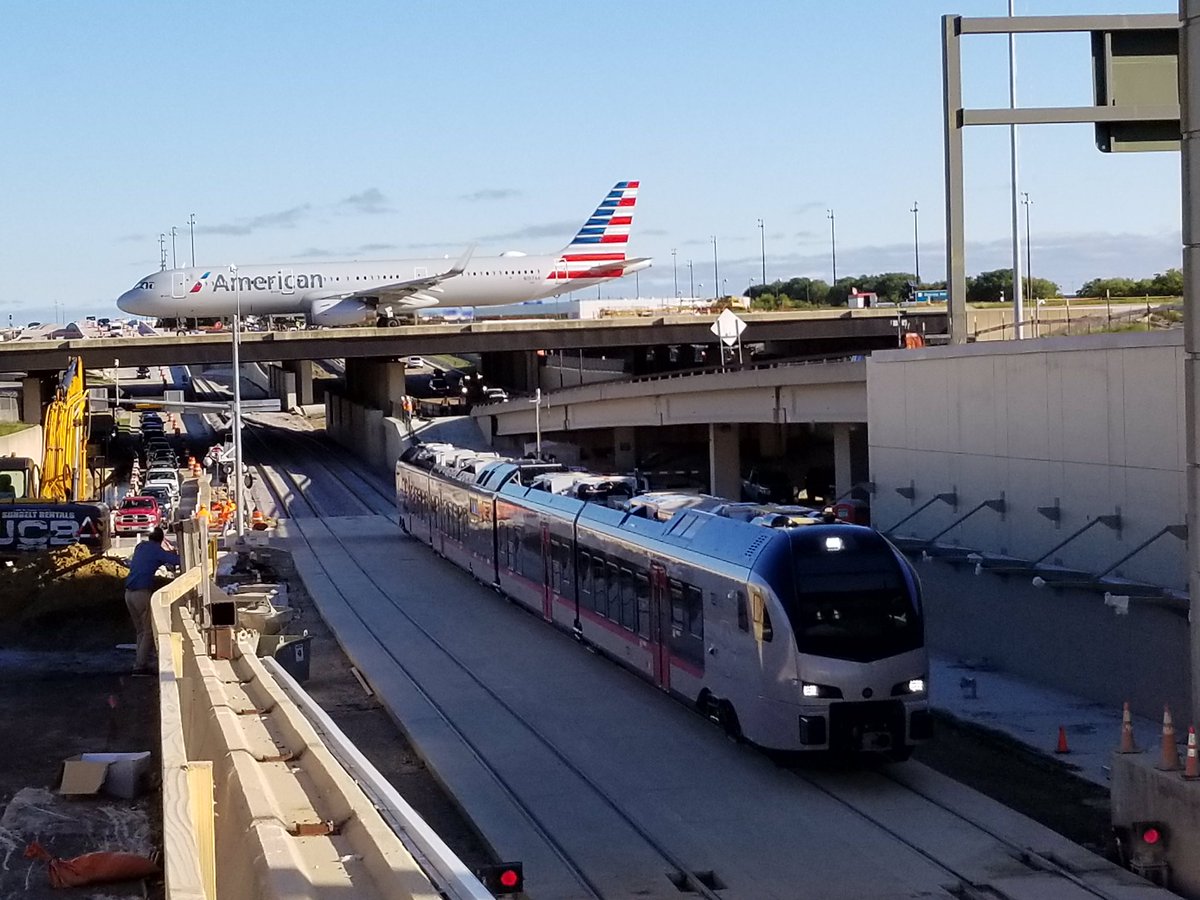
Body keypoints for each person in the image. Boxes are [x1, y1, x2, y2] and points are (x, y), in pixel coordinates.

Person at [124, 527, 180, 676]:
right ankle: (140, 666)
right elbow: (176, 561)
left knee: (140, 630)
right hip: (141, 593)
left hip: (128, 593)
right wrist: (173, 552)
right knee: (148, 631)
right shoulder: (157, 550)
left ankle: (139, 661)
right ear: (161, 540)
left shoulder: (140, 547)